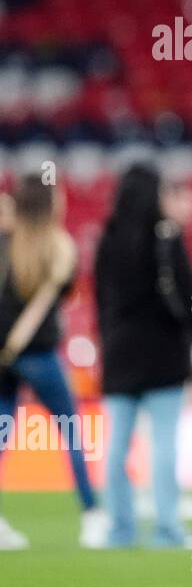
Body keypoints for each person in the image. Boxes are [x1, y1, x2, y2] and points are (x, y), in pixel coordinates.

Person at [94, 164, 192, 549]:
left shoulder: (108, 237)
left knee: (117, 445)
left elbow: (100, 301)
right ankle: (167, 529)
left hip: (119, 354)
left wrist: (106, 340)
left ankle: (119, 530)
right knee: (164, 444)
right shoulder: (166, 235)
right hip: (163, 353)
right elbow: (191, 294)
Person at [0, 174, 108, 550]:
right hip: (40, 355)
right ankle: (92, 517)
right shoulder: (57, 246)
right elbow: (64, 293)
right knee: (71, 433)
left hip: (4, 358)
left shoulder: (6, 242)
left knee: (1, 436)